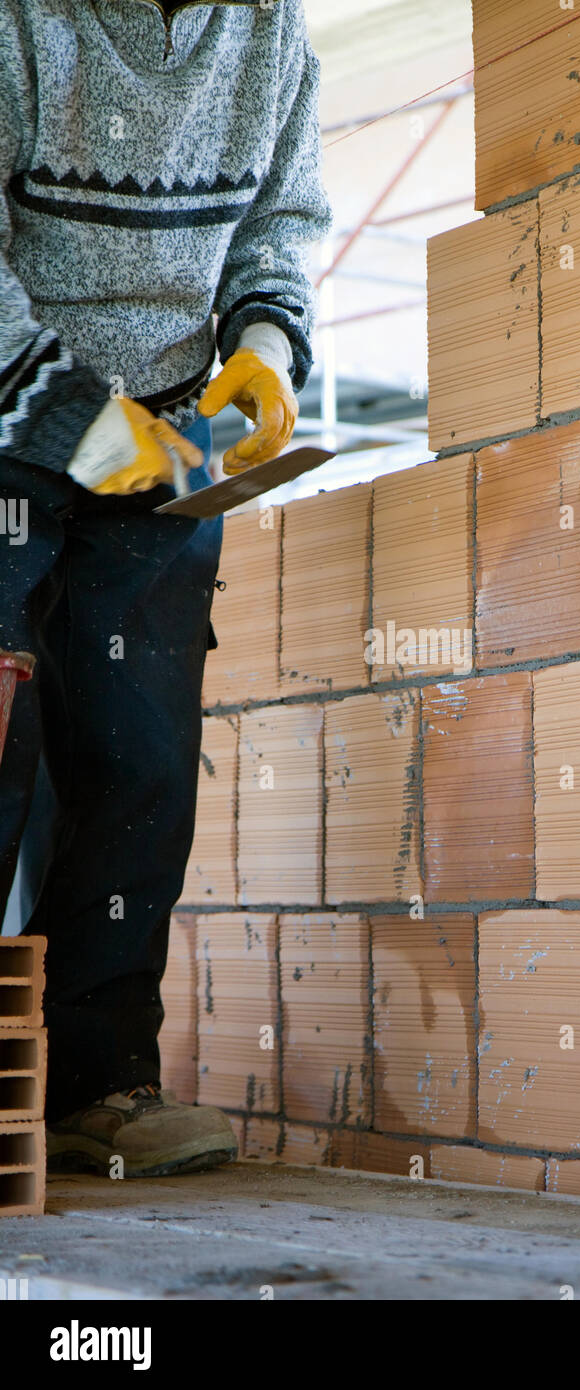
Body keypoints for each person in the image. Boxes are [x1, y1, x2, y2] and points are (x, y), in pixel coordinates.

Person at [0, 0, 331, 1176]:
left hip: (174, 439)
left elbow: (278, 228)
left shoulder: (269, 33)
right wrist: (77, 424)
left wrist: (268, 344)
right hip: (11, 415)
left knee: (138, 756)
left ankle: (99, 1085)